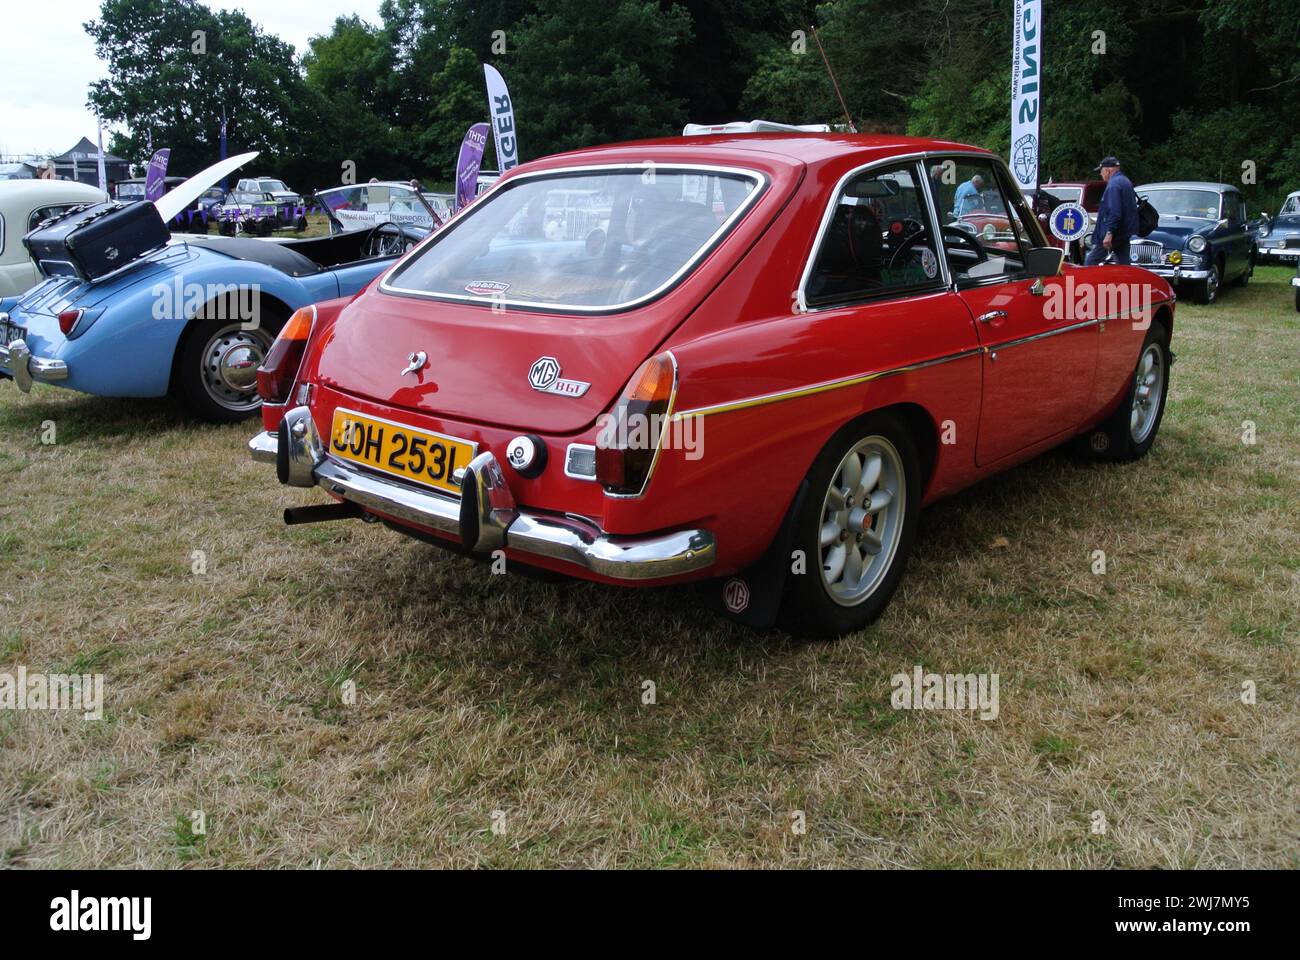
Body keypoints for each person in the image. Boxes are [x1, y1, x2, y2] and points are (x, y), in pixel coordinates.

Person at [1085, 156, 1139, 266]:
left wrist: (1109, 233)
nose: (1100, 174)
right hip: (1123, 233)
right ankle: (1127, 281)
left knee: (1090, 261)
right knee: (1124, 265)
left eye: (1101, 171)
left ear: (1108, 170)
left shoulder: (1114, 185)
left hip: (1114, 234)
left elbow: (1115, 212)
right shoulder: (1125, 181)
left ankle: (1087, 283)